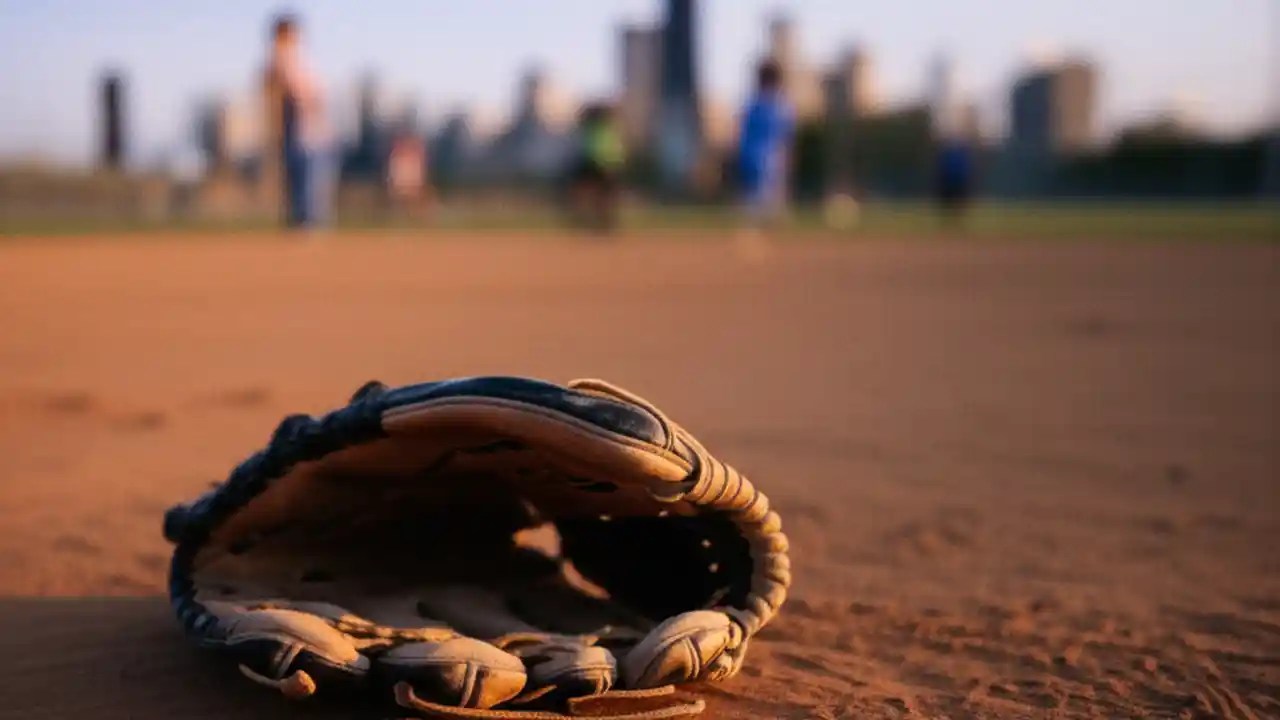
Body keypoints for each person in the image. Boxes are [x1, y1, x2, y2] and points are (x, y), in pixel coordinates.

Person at [265, 14, 333, 230]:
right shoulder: (280, 59)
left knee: (309, 177)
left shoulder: (297, 58)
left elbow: (313, 93)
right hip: (298, 123)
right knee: (302, 177)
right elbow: (281, 94)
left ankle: (307, 221)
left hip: (310, 126)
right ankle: (304, 222)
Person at [737, 60, 795, 230]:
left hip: (755, 159)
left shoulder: (753, 104)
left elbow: (742, 135)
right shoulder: (782, 106)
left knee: (757, 205)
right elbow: (787, 137)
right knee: (767, 205)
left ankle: (756, 235)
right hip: (770, 161)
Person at [568, 103, 625, 233]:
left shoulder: (604, 130)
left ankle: (604, 223)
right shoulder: (594, 129)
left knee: (603, 197)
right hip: (593, 162)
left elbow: (612, 149)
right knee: (588, 193)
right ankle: (595, 221)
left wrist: (611, 165)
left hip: (604, 163)